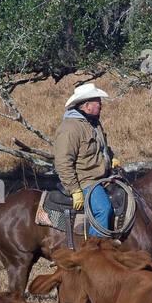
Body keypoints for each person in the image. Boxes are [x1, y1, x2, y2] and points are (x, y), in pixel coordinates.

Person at [53, 81, 119, 237]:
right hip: (86, 180)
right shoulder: (70, 128)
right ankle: (95, 252)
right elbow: (63, 163)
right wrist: (74, 189)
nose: (101, 105)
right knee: (103, 209)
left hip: (103, 176)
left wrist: (112, 158)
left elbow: (102, 148)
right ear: (87, 105)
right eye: (98, 102)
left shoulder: (93, 123)